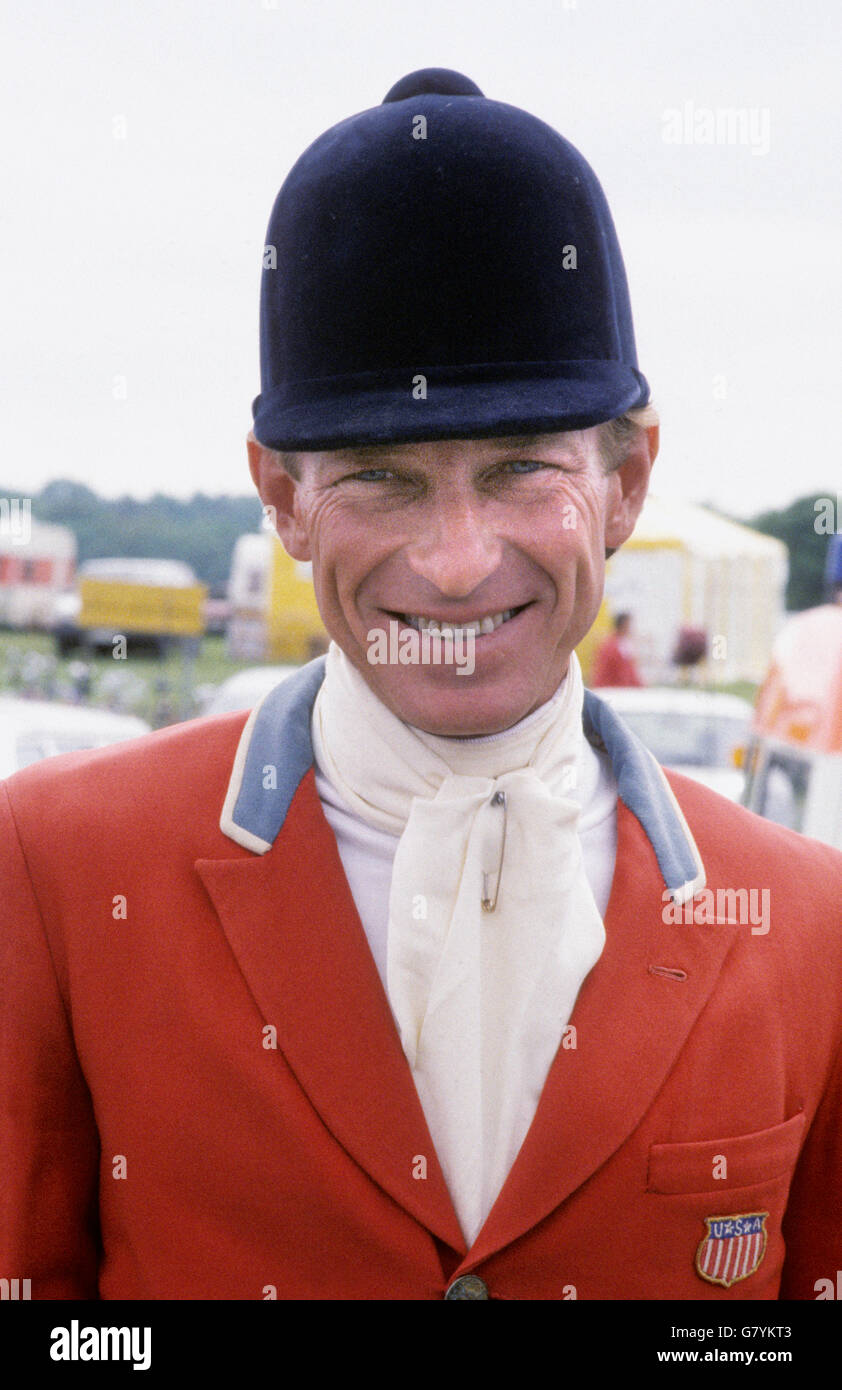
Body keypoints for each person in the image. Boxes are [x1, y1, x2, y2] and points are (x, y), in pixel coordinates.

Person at [3, 68, 841, 1302]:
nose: (455, 564)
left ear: (626, 479)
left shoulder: (808, 918)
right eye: (381, 480)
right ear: (281, 496)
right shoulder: (57, 868)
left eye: (519, 469)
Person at [591, 611, 644, 687]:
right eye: (629, 625)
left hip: (617, 688)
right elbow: (623, 672)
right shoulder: (612, 646)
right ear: (623, 625)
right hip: (611, 689)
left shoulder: (621, 644)